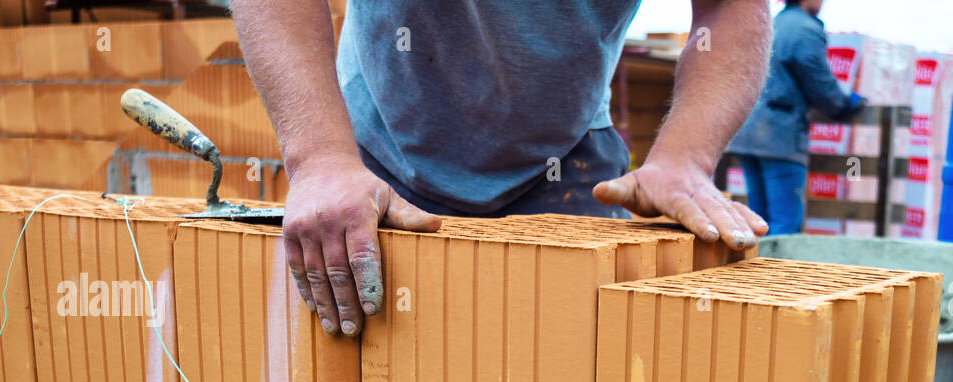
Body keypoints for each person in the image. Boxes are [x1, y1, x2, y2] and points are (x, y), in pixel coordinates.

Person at [232, 0, 772, 338]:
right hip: (377, 152)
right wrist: (321, 157)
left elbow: (731, 6)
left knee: (574, 377)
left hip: (569, 158)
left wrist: (685, 158)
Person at [726, 0, 864, 235]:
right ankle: (776, 272)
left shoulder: (772, 22)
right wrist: (843, 105)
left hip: (748, 131)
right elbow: (818, 81)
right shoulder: (804, 30)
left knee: (760, 220)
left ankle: (756, 269)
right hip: (779, 135)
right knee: (785, 222)